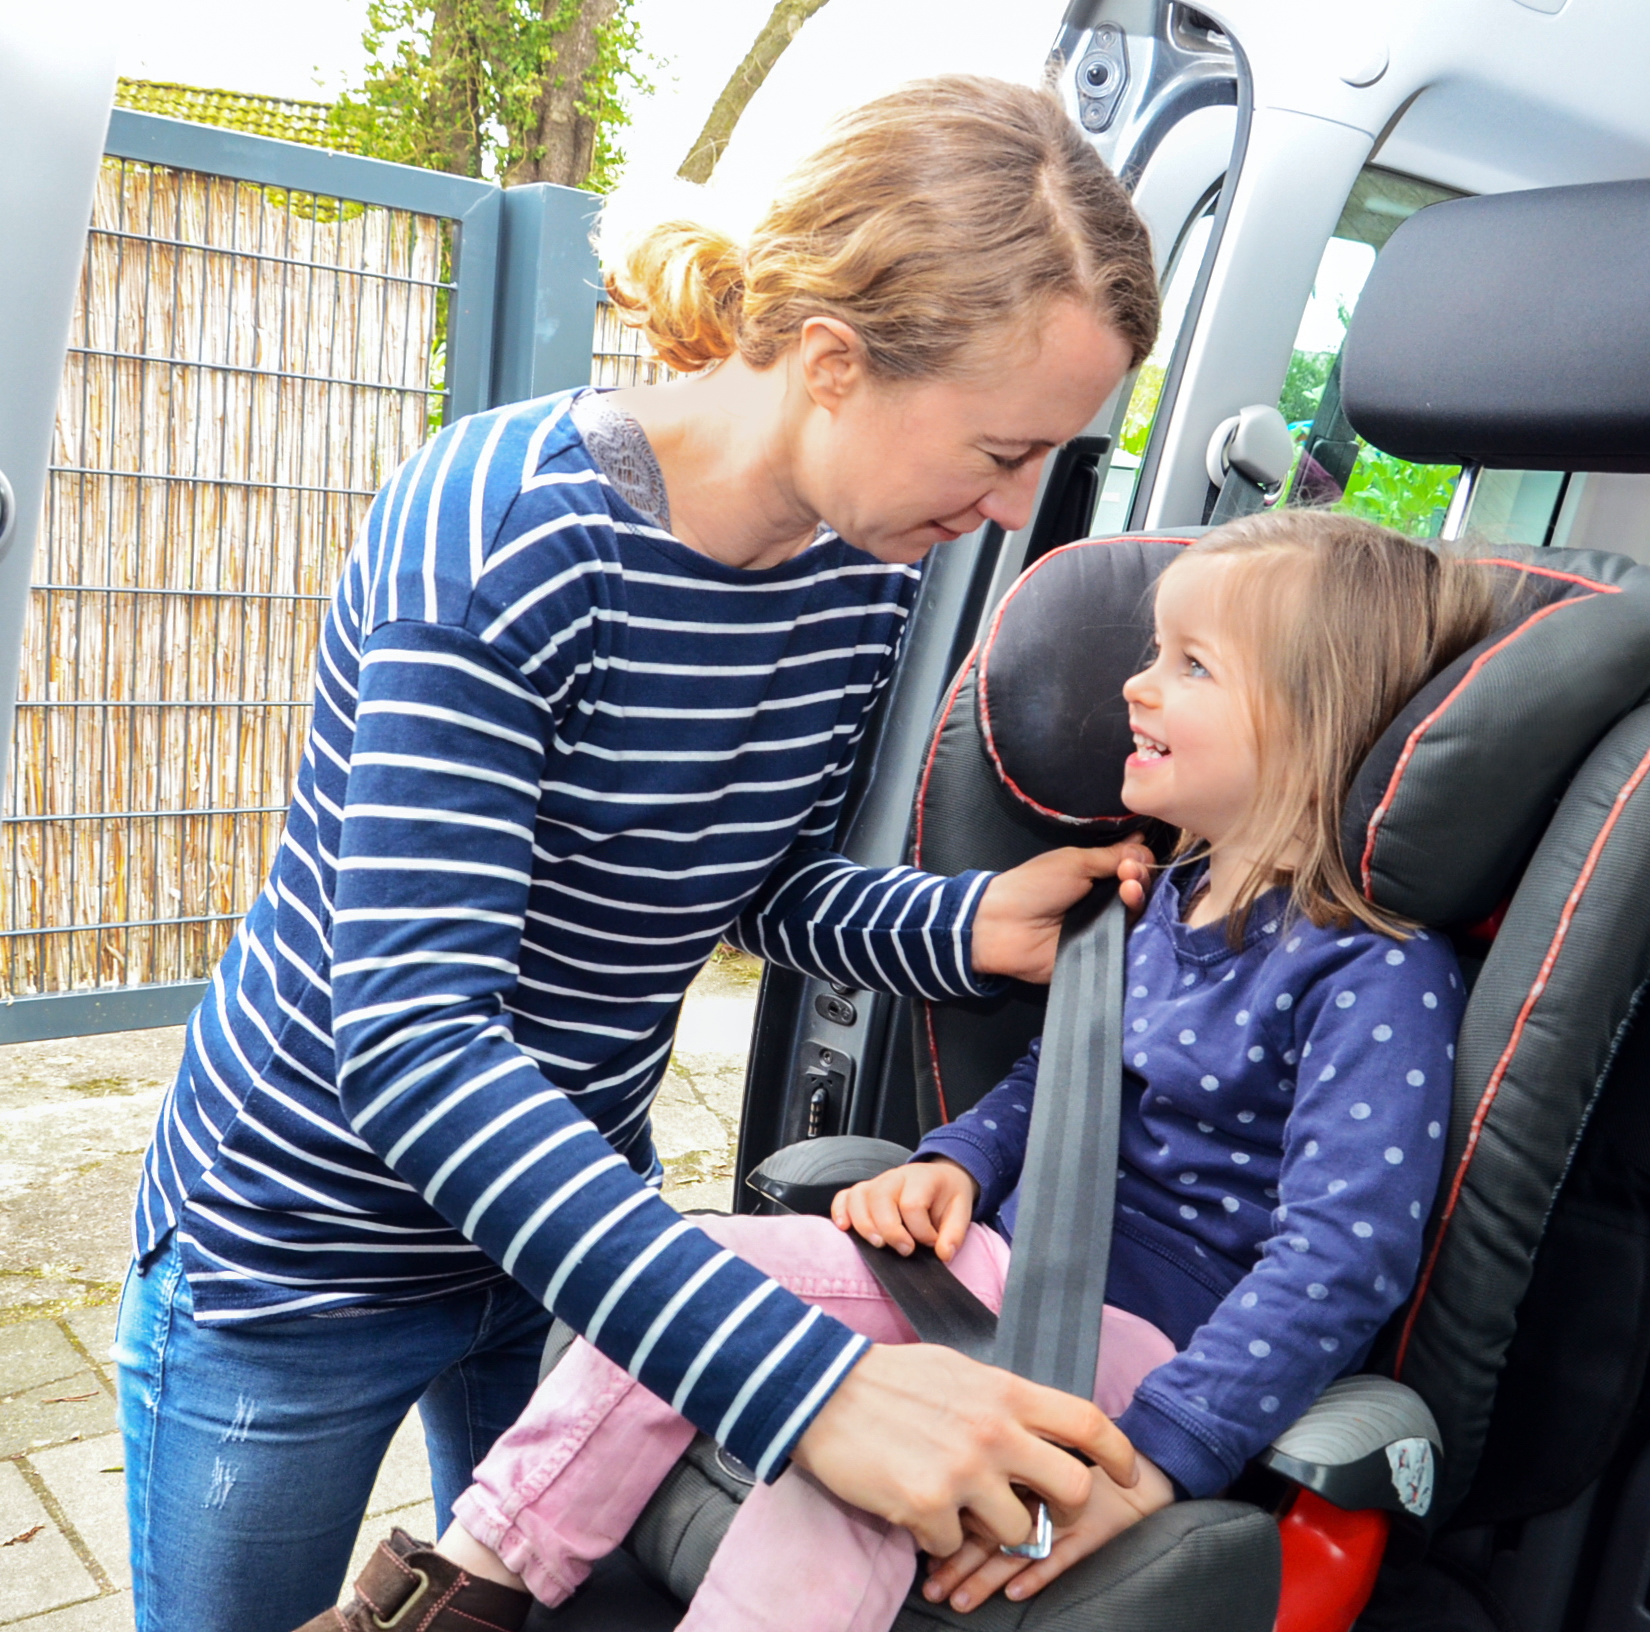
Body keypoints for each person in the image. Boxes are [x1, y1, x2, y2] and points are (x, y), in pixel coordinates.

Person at [116, 75, 1165, 1631]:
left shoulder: (857, 576)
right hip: (308, 1258)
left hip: (565, 1239)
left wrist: (970, 926)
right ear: (830, 361)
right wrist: (815, 1390)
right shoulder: (500, 526)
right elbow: (412, 1043)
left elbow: (750, 881)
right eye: (1005, 451)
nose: (1013, 511)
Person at [320, 512, 1498, 1632]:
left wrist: (1163, 1450)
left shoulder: (1373, 972)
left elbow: (1344, 1255)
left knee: (868, 1483)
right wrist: (959, 1163)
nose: (1135, 686)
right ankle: (482, 1579)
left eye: (1192, 666)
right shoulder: (1164, 900)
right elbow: (1062, 1084)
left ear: (1314, 719)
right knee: (695, 1274)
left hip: (1149, 1337)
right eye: (1151, 651)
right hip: (996, 1269)